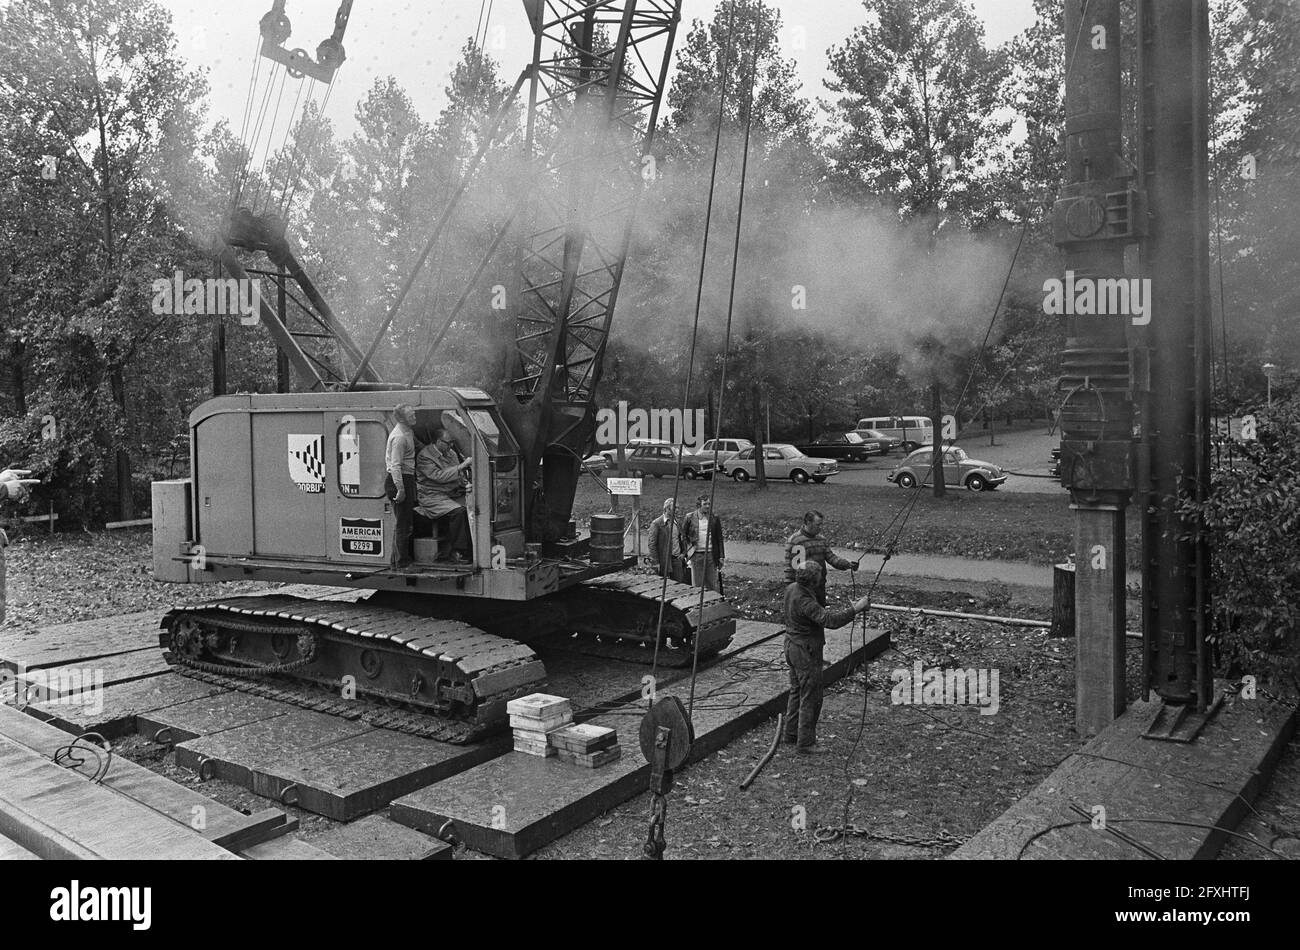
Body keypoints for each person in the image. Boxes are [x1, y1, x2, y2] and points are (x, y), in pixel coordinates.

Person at [783, 561, 871, 752]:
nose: (822, 579)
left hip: (791, 646)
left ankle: (791, 733)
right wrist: (856, 609)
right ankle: (806, 743)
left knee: (797, 691)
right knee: (811, 696)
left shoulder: (792, 588)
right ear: (813, 581)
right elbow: (830, 621)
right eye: (820, 576)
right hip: (805, 651)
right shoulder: (805, 601)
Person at [414, 427, 474, 563]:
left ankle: (473, 548)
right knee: (459, 512)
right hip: (432, 497)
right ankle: (459, 552)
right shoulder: (424, 456)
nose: (451, 445)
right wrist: (461, 466)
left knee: (475, 508)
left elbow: (459, 474)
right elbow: (439, 476)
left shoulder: (450, 453)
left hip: (451, 493)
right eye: (448, 443)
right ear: (438, 441)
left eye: (452, 442)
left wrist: (466, 484)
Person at [784, 509, 855, 606]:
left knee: (820, 612)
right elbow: (792, 569)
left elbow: (831, 557)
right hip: (803, 589)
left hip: (819, 585)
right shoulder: (796, 541)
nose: (820, 528)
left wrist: (846, 564)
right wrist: (790, 590)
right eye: (818, 525)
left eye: (821, 524)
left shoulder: (821, 539)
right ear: (808, 523)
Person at [385, 404, 418, 568]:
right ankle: (402, 562)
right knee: (403, 524)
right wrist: (401, 489)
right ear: (402, 419)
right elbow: (395, 466)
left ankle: (395, 560)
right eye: (411, 415)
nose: (415, 417)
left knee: (403, 521)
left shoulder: (408, 431)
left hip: (407, 478)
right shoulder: (399, 438)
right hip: (399, 479)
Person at [684, 493, 724, 592]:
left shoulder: (714, 518)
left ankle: (713, 600)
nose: (707, 506)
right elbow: (683, 536)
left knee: (712, 583)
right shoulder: (690, 517)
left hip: (711, 554)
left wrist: (721, 556)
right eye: (705, 504)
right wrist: (686, 553)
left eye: (709, 504)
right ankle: (698, 600)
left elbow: (719, 538)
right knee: (698, 584)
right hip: (696, 555)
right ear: (699, 505)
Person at [646, 498, 685, 582]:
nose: (677, 510)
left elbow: (682, 539)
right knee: (665, 585)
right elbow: (652, 544)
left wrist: (683, 553)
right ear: (667, 509)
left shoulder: (677, 522)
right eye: (675, 508)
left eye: (678, 508)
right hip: (664, 561)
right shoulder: (657, 524)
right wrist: (656, 562)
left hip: (677, 559)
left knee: (679, 584)